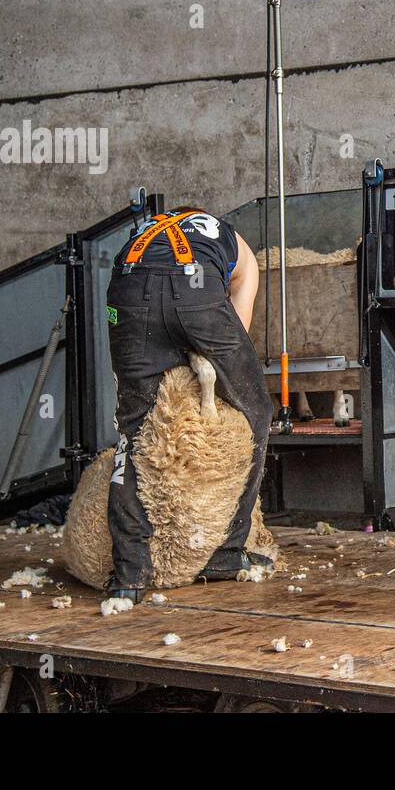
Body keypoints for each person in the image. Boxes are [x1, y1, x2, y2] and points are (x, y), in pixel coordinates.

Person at [103, 205, 272, 602]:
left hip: (126, 292)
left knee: (134, 429)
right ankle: (225, 553)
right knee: (256, 413)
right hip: (194, 291)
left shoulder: (145, 233)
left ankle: (130, 573)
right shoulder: (242, 254)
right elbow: (236, 329)